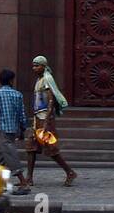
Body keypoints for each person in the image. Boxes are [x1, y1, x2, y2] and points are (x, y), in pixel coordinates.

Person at [27, 56, 77, 187]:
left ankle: (69, 172)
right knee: (31, 147)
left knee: (51, 149)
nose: (34, 68)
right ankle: (29, 178)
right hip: (37, 118)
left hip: (45, 119)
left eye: (37, 65)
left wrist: (46, 122)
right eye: (33, 65)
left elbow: (50, 100)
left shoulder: (47, 80)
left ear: (43, 66)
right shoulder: (39, 80)